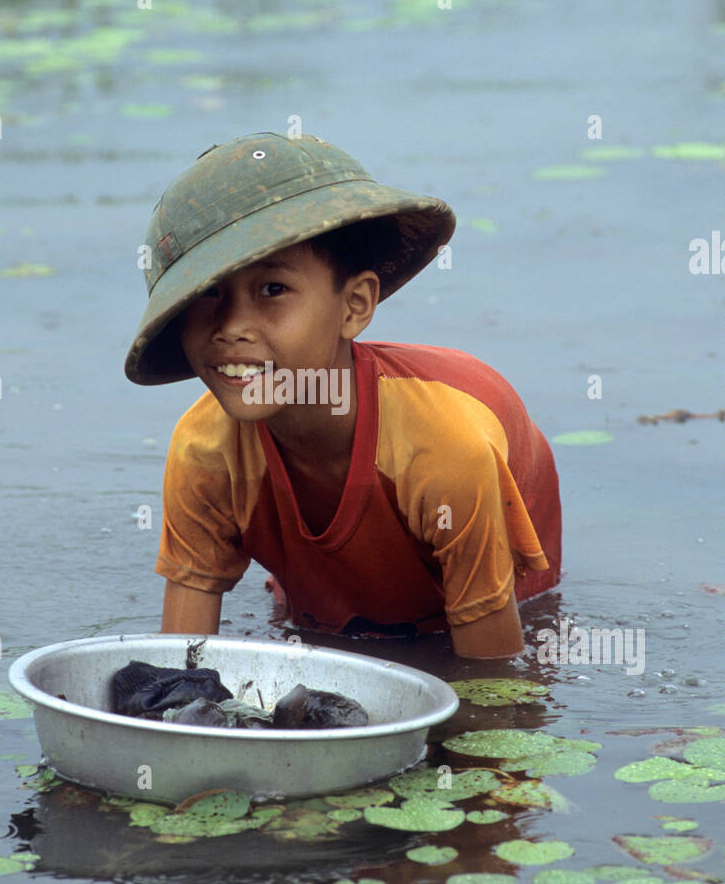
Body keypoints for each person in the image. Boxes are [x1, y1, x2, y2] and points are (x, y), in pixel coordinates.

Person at [124, 132, 561, 660]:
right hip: (330, 590)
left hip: (497, 593)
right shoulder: (204, 450)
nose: (232, 326)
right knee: (318, 639)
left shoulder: (447, 449)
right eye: (209, 293)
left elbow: (494, 688)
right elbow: (184, 663)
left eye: (272, 290)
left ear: (354, 305)